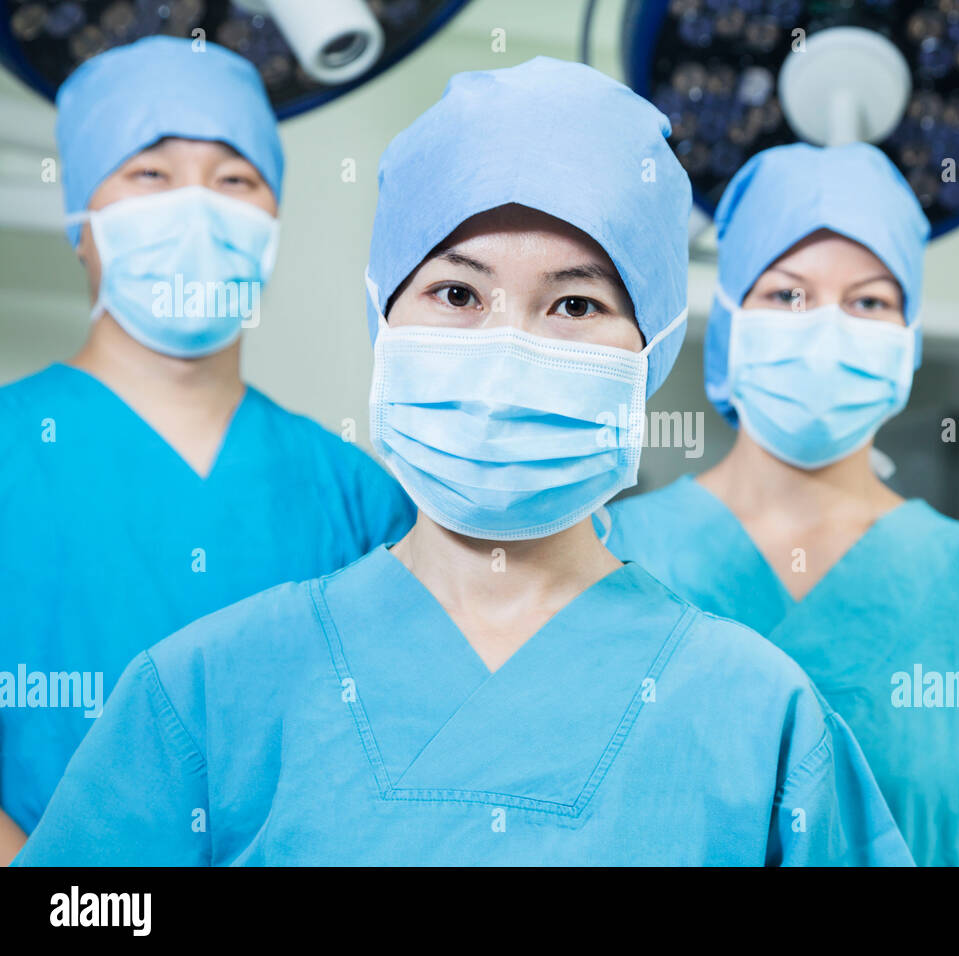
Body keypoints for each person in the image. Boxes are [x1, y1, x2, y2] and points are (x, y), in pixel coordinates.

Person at [14, 58, 911, 867]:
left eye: (574, 304)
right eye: (456, 291)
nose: (507, 348)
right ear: (383, 317)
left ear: (656, 348)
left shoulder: (760, 723)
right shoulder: (204, 695)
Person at [601, 143, 959, 866]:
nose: (829, 329)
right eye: (787, 294)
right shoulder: (609, 556)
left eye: (869, 301)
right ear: (730, 320)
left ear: (909, 338)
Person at [0, 36, 414, 863]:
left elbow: (401, 759)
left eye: (235, 179)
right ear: (82, 218)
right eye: (150, 174)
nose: (197, 206)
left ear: (271, 221)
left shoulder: (357, 496)